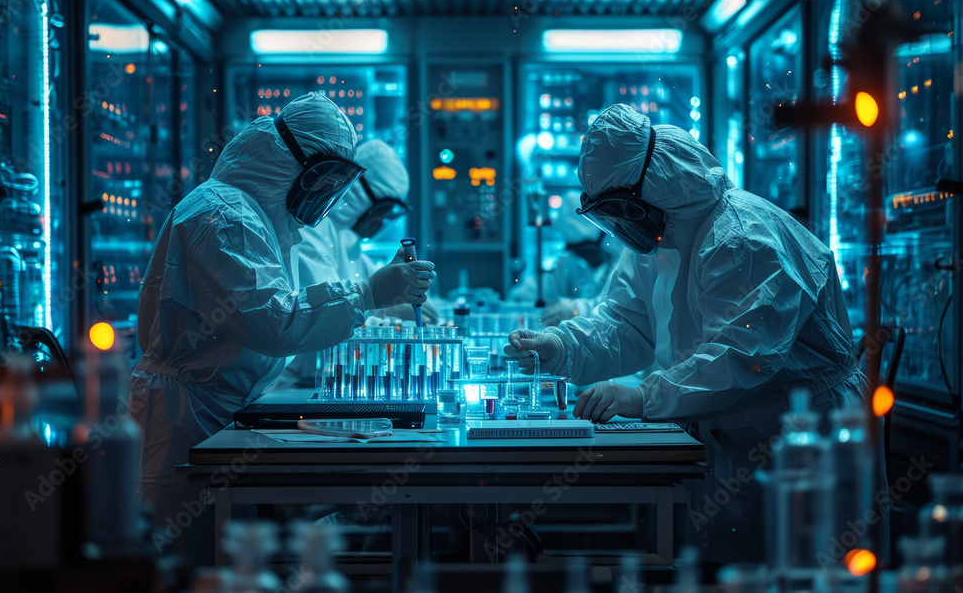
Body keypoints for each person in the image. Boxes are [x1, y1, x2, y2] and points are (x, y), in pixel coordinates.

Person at [503, 104, 869, 563]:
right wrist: (562, 345)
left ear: (656, 184)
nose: (619, 226)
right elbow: (625, 324)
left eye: (621, 209)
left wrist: (642, 398)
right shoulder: (660, 237)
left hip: (804, 436)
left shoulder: (741, 237)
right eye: (607, 214)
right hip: (732, 434)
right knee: (737, 569)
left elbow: (739, 358)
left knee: (805, 569)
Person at [129, 93, 435, 561]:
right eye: (322, 179)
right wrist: (369, 295)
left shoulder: (259, 216)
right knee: (188, 566)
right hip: (186, 421)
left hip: (218, 409)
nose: (325, 197)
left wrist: (372, 294)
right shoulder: (223, 215)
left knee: (230, 561)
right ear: (290, 164)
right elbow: (276, 321)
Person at [268, 139, 437, 389]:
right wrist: (382, 312)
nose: (381, 221)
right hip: (289, 385)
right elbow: (322, 323)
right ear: (355, 187)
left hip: (328, 381)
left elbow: (378, 288)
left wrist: (401, 298)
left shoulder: (349, 241)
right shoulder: (308, 232)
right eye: (382, 209)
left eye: (391, 213)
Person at [509, 190, 620, 327]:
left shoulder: (622, 264)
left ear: (603, 239)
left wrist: (575, 310)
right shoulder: (567, 262)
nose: (584, 258)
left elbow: (617, 311)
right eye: (578, 251)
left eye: (589, 250)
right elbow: (524, 295)